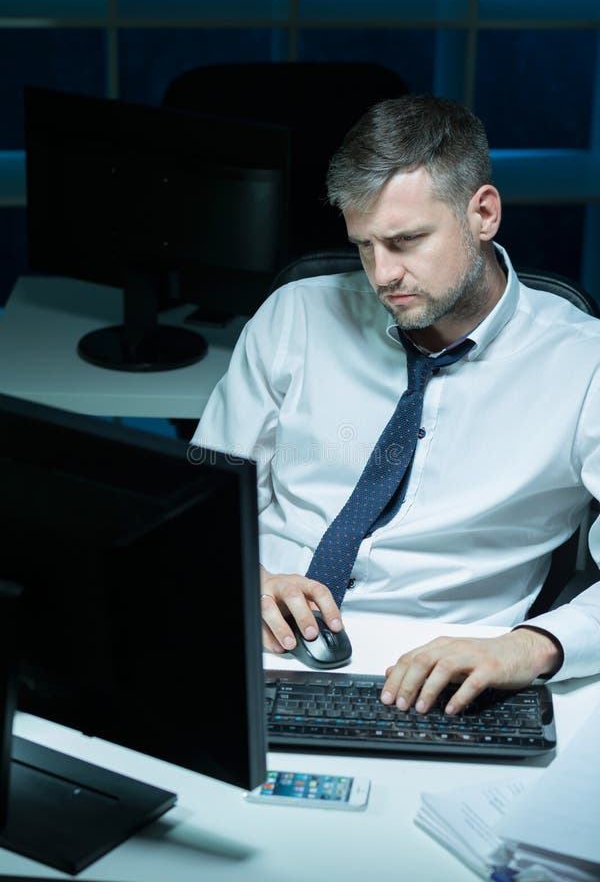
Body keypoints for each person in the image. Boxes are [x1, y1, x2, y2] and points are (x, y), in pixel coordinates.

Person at [191, 94, 600, 715]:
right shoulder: (295, 315)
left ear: (483, 213)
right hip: (249, 640)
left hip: (442, 675)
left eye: (407, 241)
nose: (383, 275)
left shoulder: (583, 363)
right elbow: (201, 501)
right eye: (365, 245)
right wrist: (245, 580)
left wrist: (535, 646)